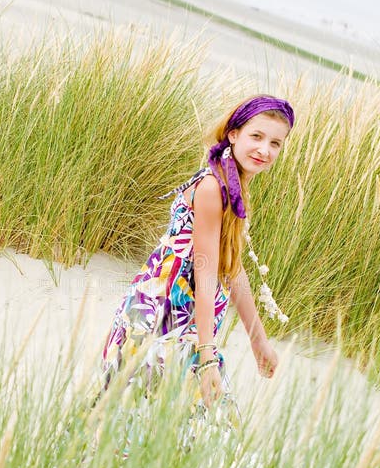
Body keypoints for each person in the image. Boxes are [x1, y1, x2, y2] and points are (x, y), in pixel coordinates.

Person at [101, 94, 294, 413]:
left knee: (178, 425)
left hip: (191, 318)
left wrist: (257, 337)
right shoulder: (211, 188)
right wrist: (207, 357)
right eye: (256, 136)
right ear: (234, 134)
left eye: (275, 143)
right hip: (163, 318)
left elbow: (231, 267)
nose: (265, 150)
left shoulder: (233, 182)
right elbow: (205, 274)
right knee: (143, 419)